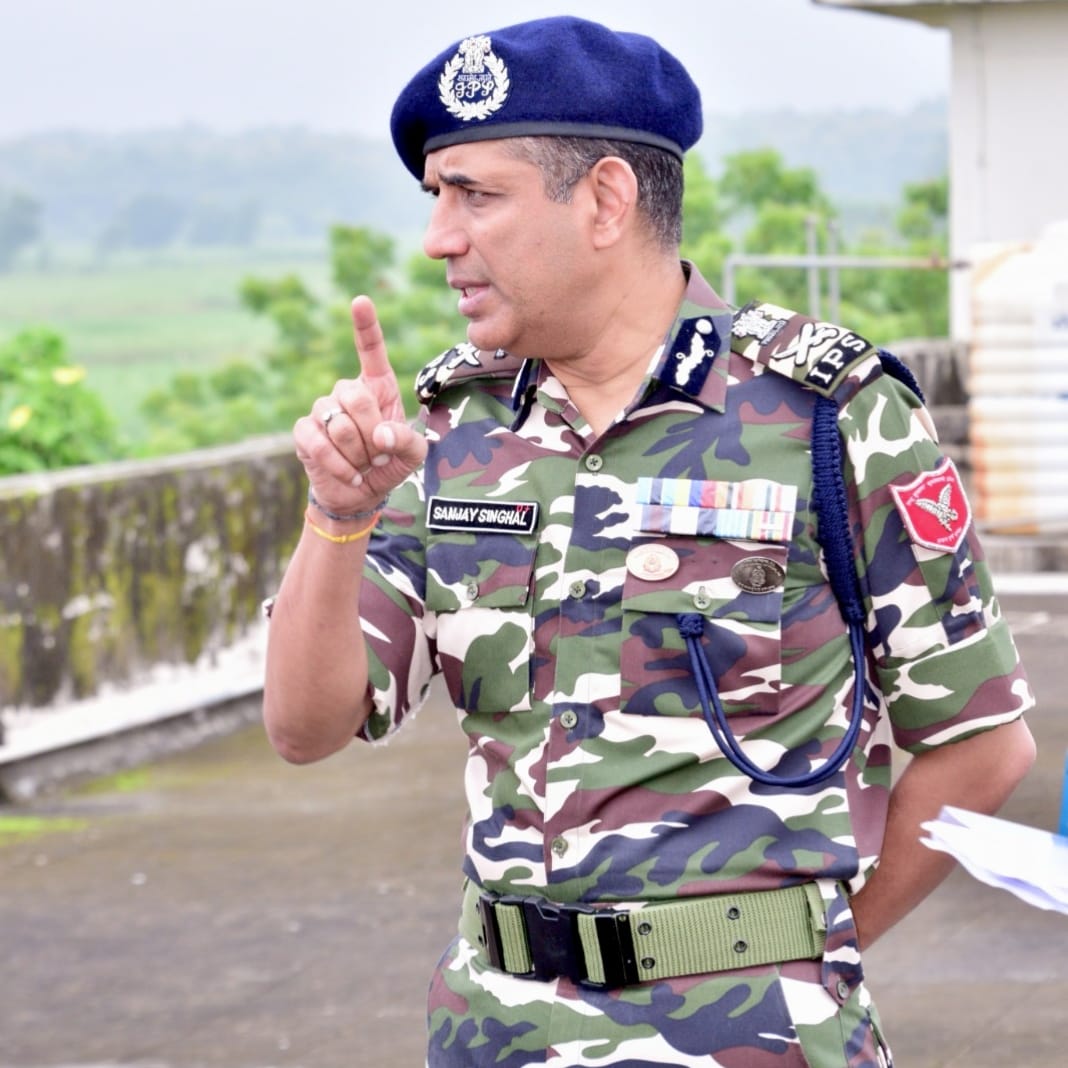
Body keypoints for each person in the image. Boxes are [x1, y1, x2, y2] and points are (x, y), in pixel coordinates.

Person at [263, 15, 1036, 1067]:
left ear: (606, 199)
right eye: (436, 196)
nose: (441, 236)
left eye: (476, 194)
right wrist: (339, 516)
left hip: (756, 1039)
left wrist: (809, 963)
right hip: (495, 1032)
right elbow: (307, 726)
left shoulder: (825, 415)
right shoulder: (448, 430)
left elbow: (980, 742)